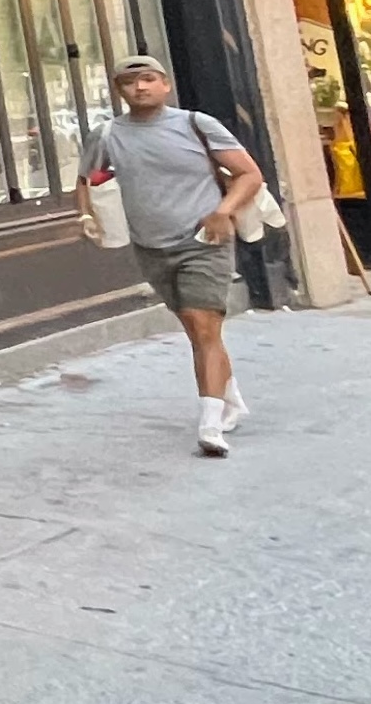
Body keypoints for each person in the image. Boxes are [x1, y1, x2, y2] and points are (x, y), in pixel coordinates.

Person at [75, 56, 264, 456]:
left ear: (166, 84)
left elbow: (249, 174)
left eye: (148, 79)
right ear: (119, 90)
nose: (140, 87)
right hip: (151, 245)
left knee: (204, 325)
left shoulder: (196, 124)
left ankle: (210, 425)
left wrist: (222, 211)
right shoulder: (106, 134)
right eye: (130, 82)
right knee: (197, 332)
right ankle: (232, 402)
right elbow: (87, 180)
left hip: (204, 239)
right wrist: (87, 215)